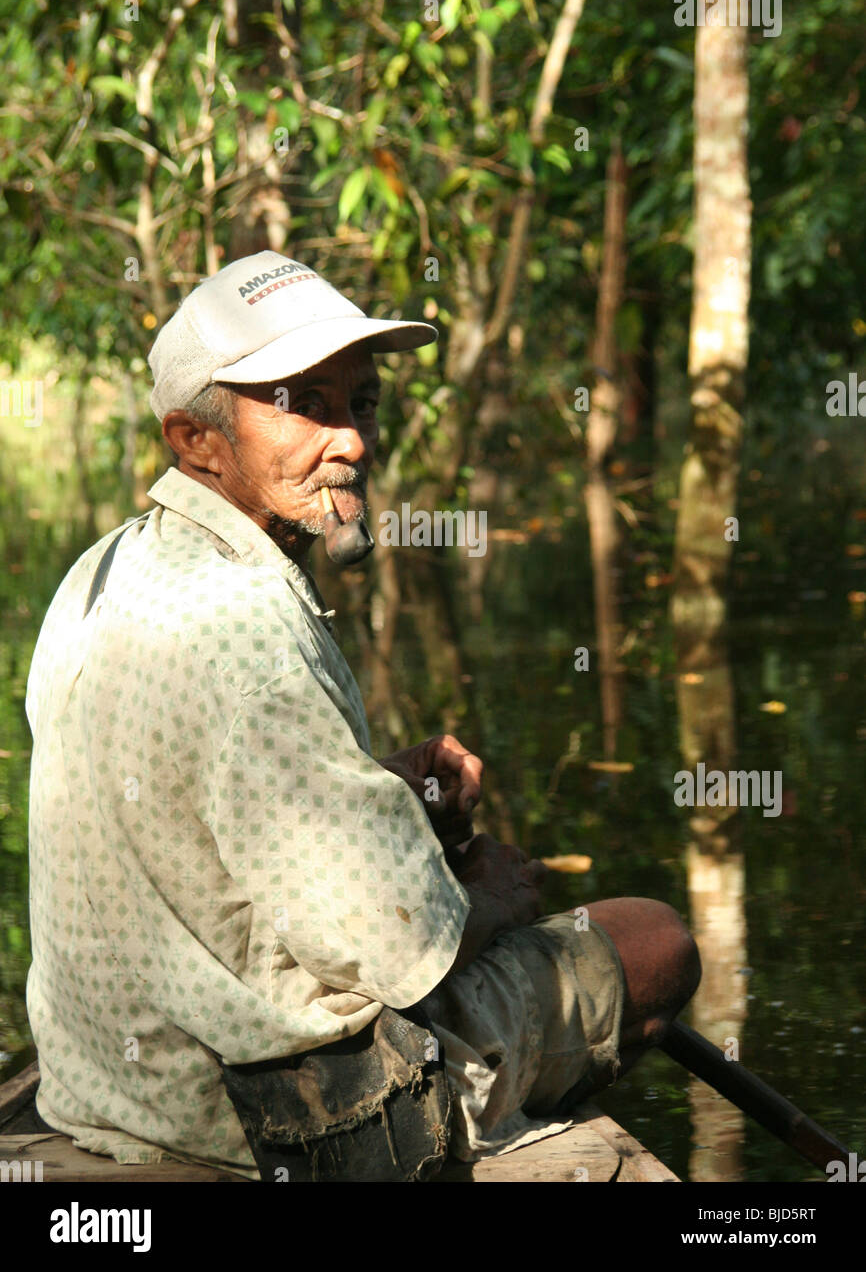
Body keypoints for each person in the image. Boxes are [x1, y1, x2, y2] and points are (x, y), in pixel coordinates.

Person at [25, 251, 700, 1178]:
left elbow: (195, 810)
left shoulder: (99, 571)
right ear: (196, 439)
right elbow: (406, 949)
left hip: (102, 1086)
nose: (352, 441)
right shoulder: (253, 632)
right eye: (303, 404)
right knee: (656, 939)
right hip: (252, 1122)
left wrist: (379, 787)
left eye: (363, 402)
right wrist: (491, 901)